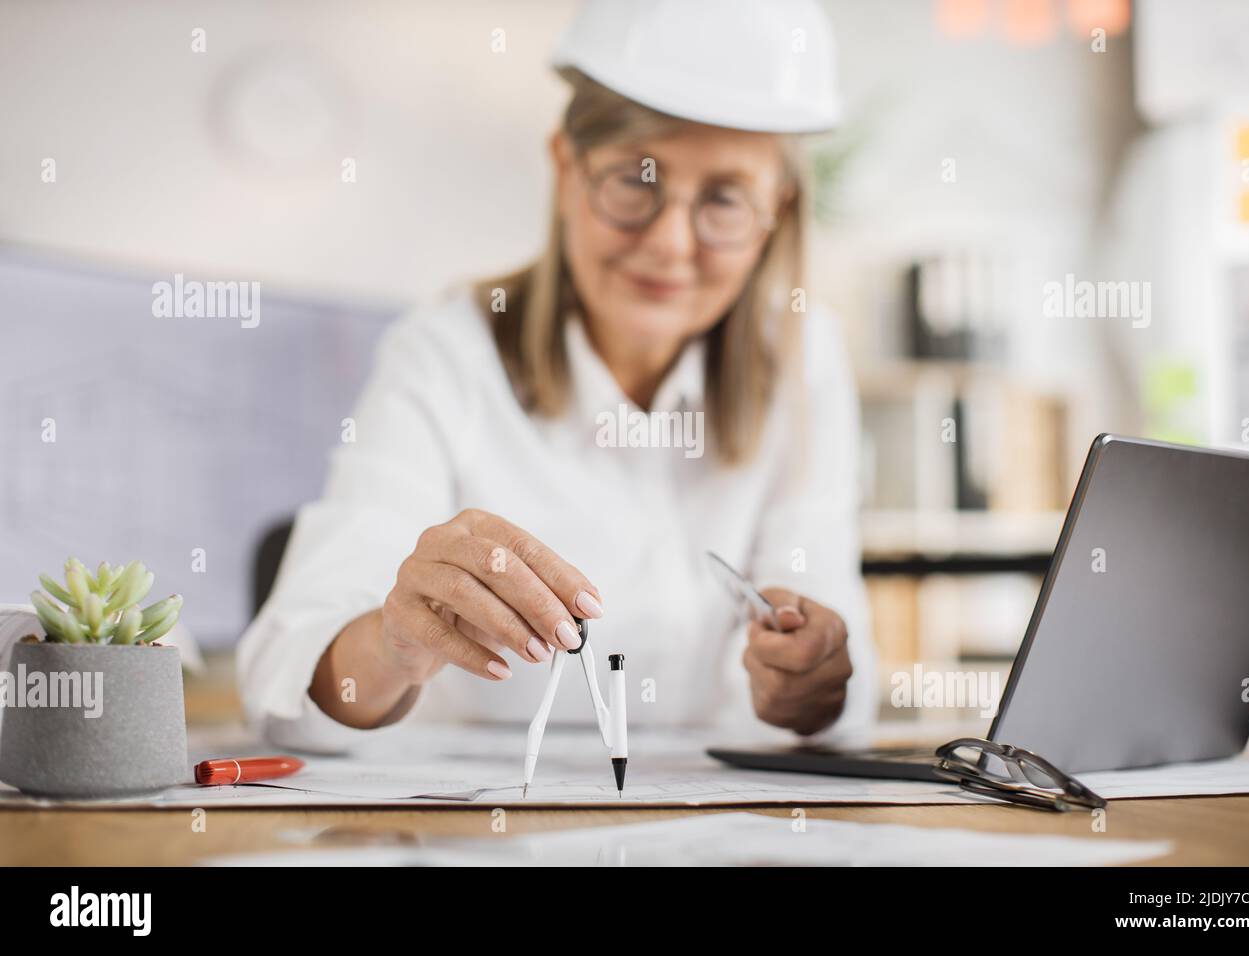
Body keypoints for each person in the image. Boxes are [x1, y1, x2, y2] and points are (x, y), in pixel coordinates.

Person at [237, 0, 876, 753]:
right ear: (567, 169)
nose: (671, 243)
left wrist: (808, 680)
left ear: (778, 208)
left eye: (725, 199)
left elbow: (838, 685)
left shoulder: (807, 356)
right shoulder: (445, 352)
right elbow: (288, 684)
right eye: (635, 184)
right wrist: (394, 644)